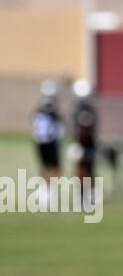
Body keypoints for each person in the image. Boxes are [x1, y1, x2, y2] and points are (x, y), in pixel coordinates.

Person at [31, 80, 63, 209]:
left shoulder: (39, 109)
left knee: (44, 167)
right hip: (50, 142)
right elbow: (58, 126)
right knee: (54, 169)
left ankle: (43, 193)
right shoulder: (53, 110)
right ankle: (47, 195)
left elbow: (33, 122)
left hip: (39, 142)